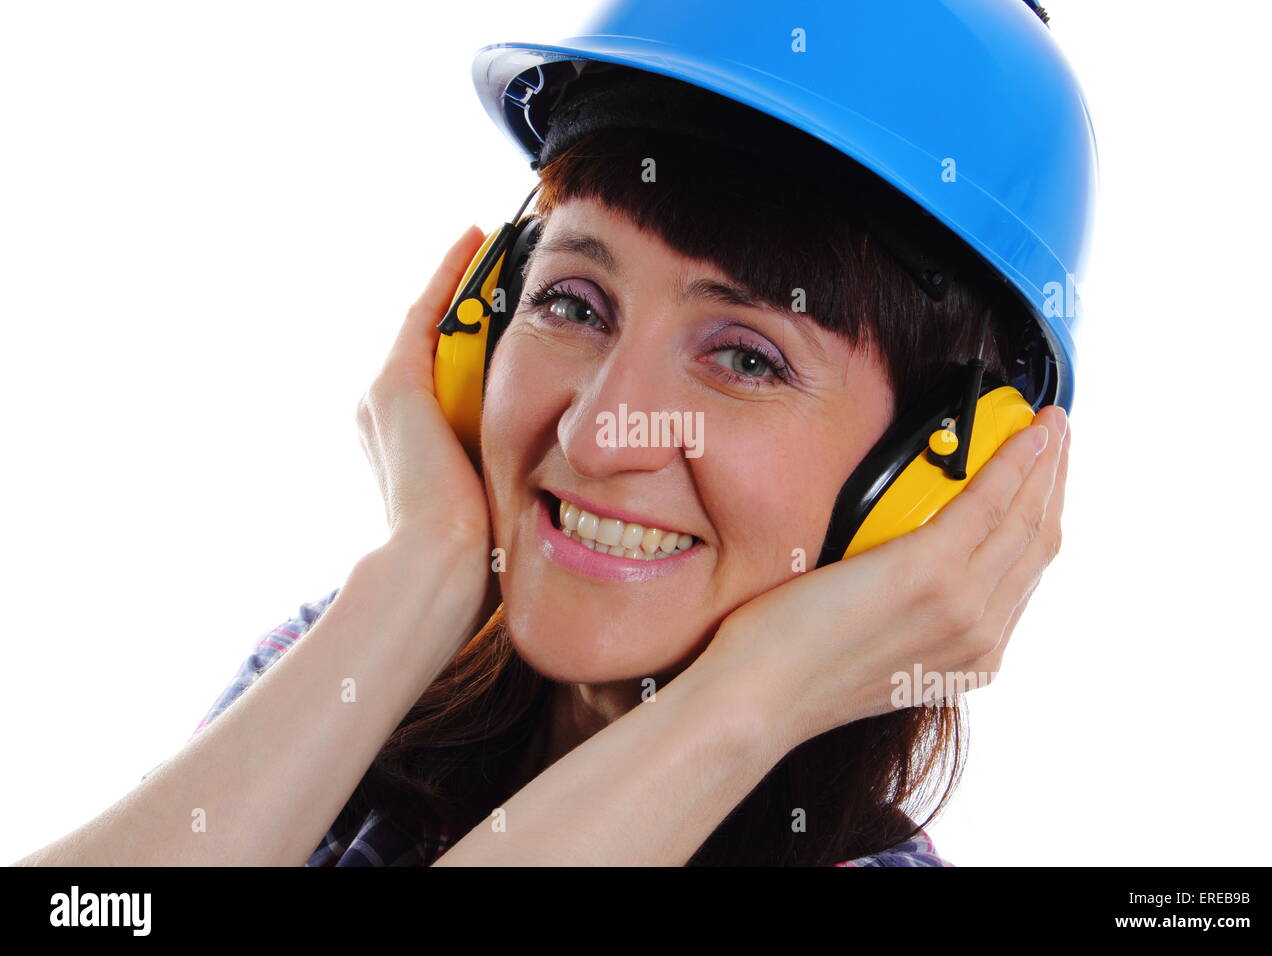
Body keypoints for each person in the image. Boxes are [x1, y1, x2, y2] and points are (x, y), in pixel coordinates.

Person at [13, 0, 1089, 867]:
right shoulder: (348, 674)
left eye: (747, 356)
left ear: (932, 482)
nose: (599, 427)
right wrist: (418, 575)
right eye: (573, 303)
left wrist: (752, 700)